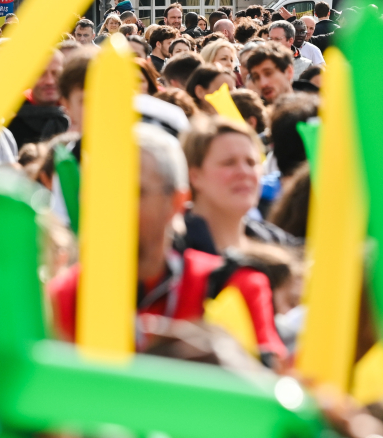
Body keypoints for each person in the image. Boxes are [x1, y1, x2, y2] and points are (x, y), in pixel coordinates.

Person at [49, 123, 287, 364]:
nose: (111, 206)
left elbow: (278, 391)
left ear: (175, 202)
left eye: (133, 192)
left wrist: (232, 364)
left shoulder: (233, 288)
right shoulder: (66, 295)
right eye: (98, 192)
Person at [181, 116, 298, 255]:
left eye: (251, 162)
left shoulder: (281, 246)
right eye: (229, 162)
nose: (244, 172)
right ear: (194, 175)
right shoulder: (171, 252)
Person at [8, 49, 69, 148]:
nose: (50, 81)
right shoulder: (9, 124)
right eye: (41, 74)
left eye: (56, 73)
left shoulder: (79, 120)